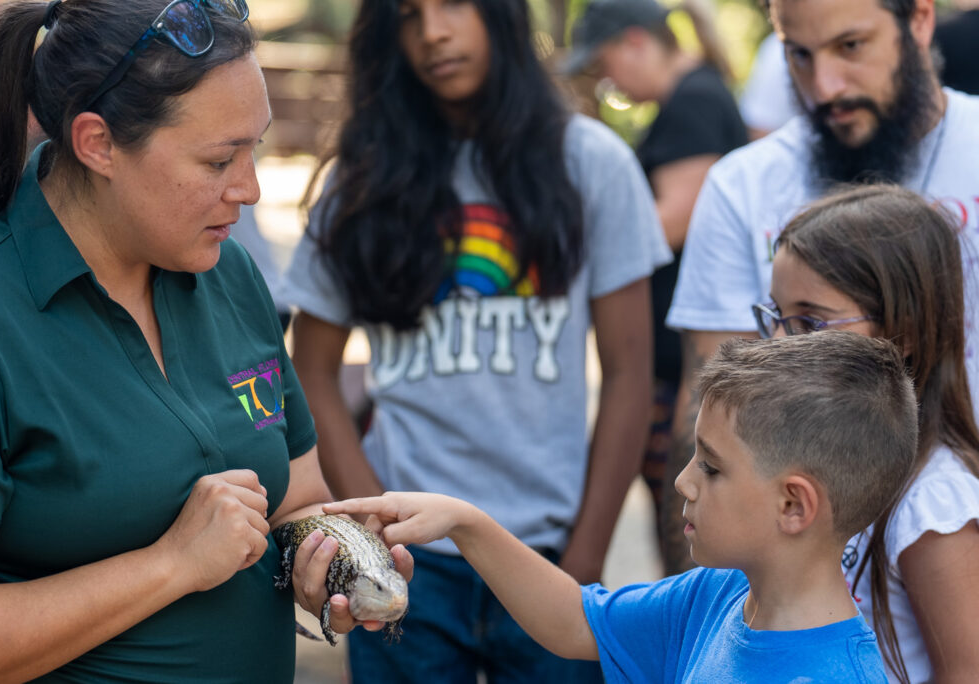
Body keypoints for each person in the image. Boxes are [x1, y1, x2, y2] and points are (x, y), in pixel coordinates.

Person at [0, 1, 410, 681]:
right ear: (97, 143)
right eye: (220, 159)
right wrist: (171, 564)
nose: (251, 189)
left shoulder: (228, 270)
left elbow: (297, 496)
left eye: (254, 146)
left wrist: (331, 563)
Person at [282, 0, 671, 680]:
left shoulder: (593, 164)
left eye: (454, 5)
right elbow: (310, 371)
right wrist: (376, 538)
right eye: (408, 14)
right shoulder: (360, 180)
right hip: (407, 570)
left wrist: (585, 558)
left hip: (548, 557)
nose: (433, 32)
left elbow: (630, 371)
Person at [323, 332, 917, 683]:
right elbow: (573, 621)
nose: (683, 481)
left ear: (794, 505)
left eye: (711, 466)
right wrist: (466, 523)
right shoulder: (714, 595)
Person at [660, 0, 979, 575]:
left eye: (851, 46)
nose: (825, 86)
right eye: (798, 55)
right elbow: (706, 411)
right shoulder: (741, 187)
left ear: (921, 20)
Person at [758, 184, 979, 683]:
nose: (777, 342)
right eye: (775, 315)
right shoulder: (820, 462)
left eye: (810, 321)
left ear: (901, 335)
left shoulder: (932, 502)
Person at [562, 0, 747, 526]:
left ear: (636, 43)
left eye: (603, 64)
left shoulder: (694, 102)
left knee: (683, 525)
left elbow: (676, 217)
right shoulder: (694, 96)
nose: (605, 82)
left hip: (680, 364)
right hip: (673, 358)